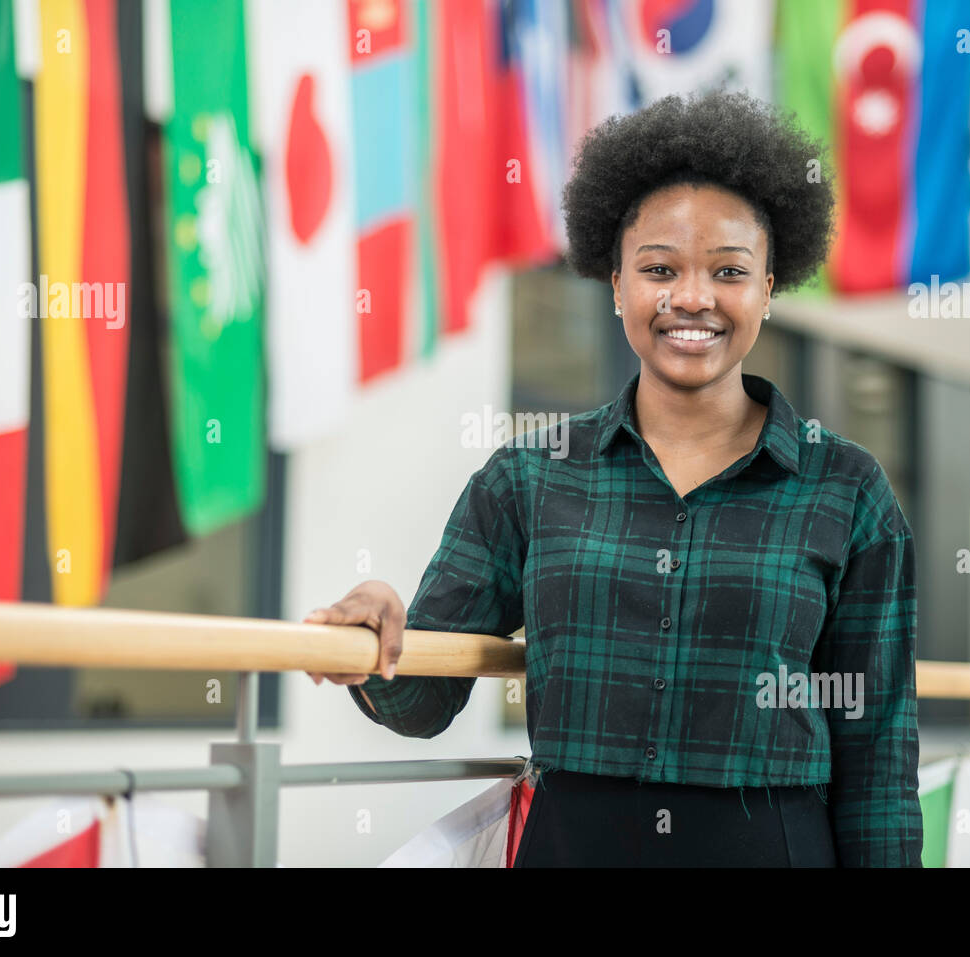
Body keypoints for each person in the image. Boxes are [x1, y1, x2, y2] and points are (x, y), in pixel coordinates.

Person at [303, 89, 921, 867]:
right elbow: (424, 701)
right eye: (659, 268)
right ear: (617, 283)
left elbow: (878, 756)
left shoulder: (847, 488)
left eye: (728, 271)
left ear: (768, 289)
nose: (691, 297)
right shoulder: (527, 477)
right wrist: (378, 639)